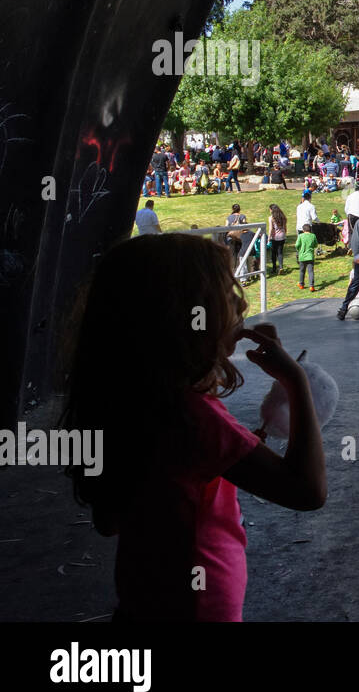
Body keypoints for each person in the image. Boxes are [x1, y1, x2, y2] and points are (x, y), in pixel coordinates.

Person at [63, 234, 326, 620]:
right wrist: (295, 381)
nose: (240, 305)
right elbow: (307, 491)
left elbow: (110, 519)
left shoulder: (124, 401)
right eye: (225, 296)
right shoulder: (191, 417)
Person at [295, 224, 318, 291]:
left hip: (302, 256)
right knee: (310, 271)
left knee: (302, 271)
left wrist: (299, 249)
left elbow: (297, 245)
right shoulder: (313, 236)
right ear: (310, 229)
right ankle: (312, 286)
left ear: (303, 230)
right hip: (310, 256)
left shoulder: (300, 236)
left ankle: (301, 284)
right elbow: (316, 245)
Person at [266, 204, 288, 276]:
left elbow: (271, 229)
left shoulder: (271, 218)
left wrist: (268, 238)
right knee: (280, 252)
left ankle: (274, 268)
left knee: (273, 253)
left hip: (274, 237)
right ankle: (281, 267)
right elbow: (285, 228)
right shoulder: (283, 217)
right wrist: (285, 234)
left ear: (272, 210)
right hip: (282, 236)